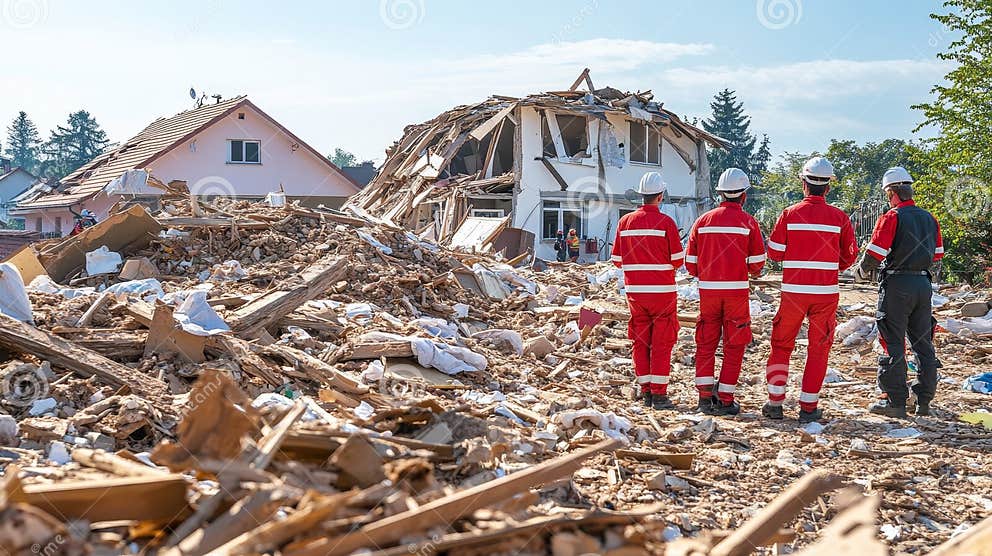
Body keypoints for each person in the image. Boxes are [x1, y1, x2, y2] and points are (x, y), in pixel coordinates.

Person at [763, 156, 858, 423]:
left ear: (803, 184)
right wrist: (827, 266)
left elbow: (776, 253)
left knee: (781, 345)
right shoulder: (839, 217)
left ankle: (775, 403)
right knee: (818, 349)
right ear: (828, 187)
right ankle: (808, 408)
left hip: (793, 293)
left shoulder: (789, 214)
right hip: (825, 294)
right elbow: (849, 256)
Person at [855, 167, 944, 418]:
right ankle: (923, 400)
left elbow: (875, 254)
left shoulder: (892, 216)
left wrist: (860, 273)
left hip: (897, 284)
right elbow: (937, 256)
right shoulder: (930, 218)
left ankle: (894, 401)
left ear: (892, 192)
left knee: (893, 342)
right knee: (923, 343)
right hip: (923, 286)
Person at [685, 168, 766, 416]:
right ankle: (726, 400)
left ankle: (704, 398)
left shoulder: (703, 221)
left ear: (720, 195)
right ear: (743, 196)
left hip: (708, 294)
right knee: (735, 345)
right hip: (736, 295)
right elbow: (757, 265)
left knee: (706, 343)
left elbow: (690, 265)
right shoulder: (749, 222)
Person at [611, 172, 685, 409]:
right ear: (660, 196)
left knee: (640, 340)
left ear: (641, 195)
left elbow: (617, 260)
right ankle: (660, 394)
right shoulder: (666, 223)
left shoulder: (625, 222)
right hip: (662, 293)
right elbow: (677, 261)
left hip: (635, 293)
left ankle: (646, 391)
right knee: (662, 342)